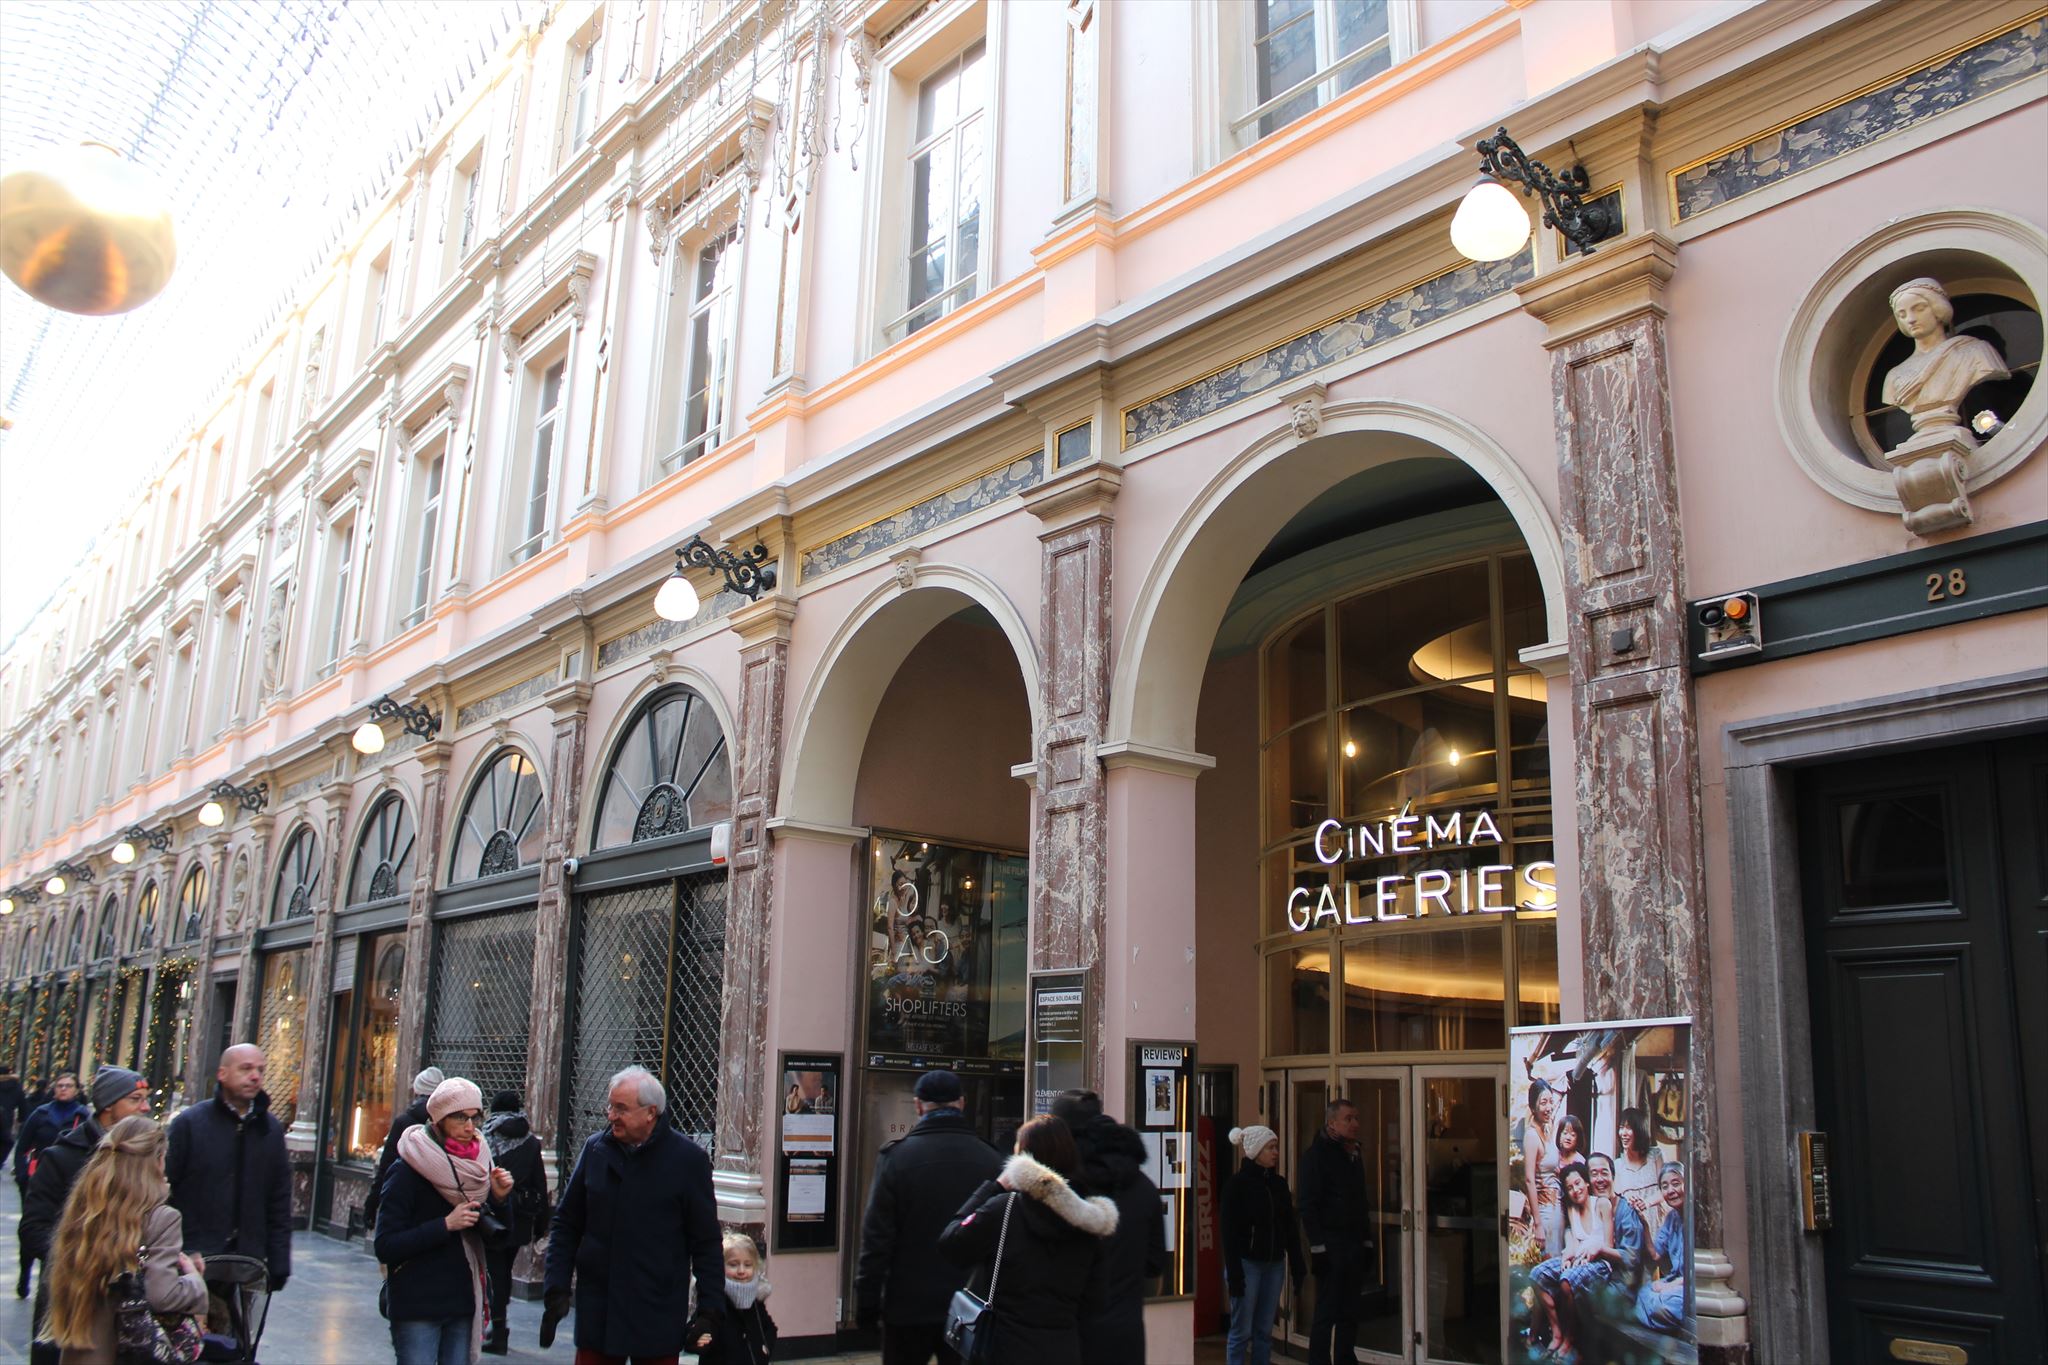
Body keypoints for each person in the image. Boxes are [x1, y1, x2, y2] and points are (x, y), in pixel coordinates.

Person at [542, 1065, 723, 1361]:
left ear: (650, 1112)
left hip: (655, 1311)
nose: (611, 1115)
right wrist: (555, 1288)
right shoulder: (595, 1150)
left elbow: (705, 1242)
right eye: (610, 1106)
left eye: (621, 1108)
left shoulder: (688, 1160)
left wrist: (710, 1311)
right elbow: (567, 1223)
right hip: (599, 1311)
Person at [939, 1114, 1119, 1365]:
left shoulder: (1004, 1209)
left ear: (1023, 1158)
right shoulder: (1089, 1223)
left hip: (1002, 1349)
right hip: (1062, 1350)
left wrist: (995, 1187)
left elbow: (951, 1243)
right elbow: (1096, 1302)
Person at [854, 1070, 1003, 1365]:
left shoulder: (896, 1159)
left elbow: (877, 1239)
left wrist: (867, 1305)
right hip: (971, 1307)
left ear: (919, 1106)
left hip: (907, 1307)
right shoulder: (991, 1160)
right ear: (961, 1103)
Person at [40, 1115, 208, 1365]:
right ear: (157, 1160)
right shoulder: (162, 1217)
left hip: (79, 1350)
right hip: (123, 1352)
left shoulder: (86, 1207)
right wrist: (195, 1281)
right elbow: (162, 1294)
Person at [373, 1076, 516, 1365]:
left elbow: (500, 1239)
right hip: (417, 1304)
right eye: (460, 1118)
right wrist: (445, 1225)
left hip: (461, 1302)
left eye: (475, 1118)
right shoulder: (407, 1170)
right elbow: (386, 1245)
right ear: (438, 1120)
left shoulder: (480, 1166)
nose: (469, 1127)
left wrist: (499, 1200)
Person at [22, 1068, 151, 1365]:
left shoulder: (145, 1157)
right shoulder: (62, 1157)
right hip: (71, 1299)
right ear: (108, 1106)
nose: (145, 1107)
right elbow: (33, 1230)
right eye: (136, 1099)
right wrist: (87, 1259)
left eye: (145, 1099)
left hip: (129, 1307)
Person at [165, 1043, 292, 1296]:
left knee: (240, 1333)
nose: (255, 1076)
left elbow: (279, 1198)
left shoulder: (271, 1130)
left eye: (260, 1070)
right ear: (222, 1074)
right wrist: (180, 1249)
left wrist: (278, 1260)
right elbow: (166, 1191)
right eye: (246, 1069)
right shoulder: (189, 1125)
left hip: (249, 1261)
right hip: (197, 1259)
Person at [1051, 1089, 1166, 1364]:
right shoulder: (1144, 1188)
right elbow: (1154, 1263)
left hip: (1069, 1336)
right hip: (1125, 1336)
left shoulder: (1062, 1190)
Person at [1220, 1124, 1304, 1365]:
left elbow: (1289, 1228)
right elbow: (1229, 1233)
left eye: (1276, 1147)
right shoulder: (1237, 1185)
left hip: (1274, 1265)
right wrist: (1235, 1275)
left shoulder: (1279, 1184)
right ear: (1256, 1151)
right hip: (1247, 1265)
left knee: (1264, 1331)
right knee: (1241, 1331)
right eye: (1270, 1147)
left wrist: (1297, 1265)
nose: (1275, 1152)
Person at [1297, 1098, 1371, 1365]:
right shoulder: (1316, 1157)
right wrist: (1318, 1247)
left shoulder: (1353, 1155)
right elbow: (1308, 1206)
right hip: (1330, 1244)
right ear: (1332, 1123)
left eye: (1356, 1118)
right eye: (1348, 1119)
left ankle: (1344, 1358)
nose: (1355, 1124)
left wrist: (1367, 1241)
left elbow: (1360, 1202)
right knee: (1327, 1311)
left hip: (1352, 1245)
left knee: (1350, 1311)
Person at [480, 1089, 549, 1356]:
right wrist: (542, 1223)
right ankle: (498, 1325)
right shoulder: (531, 1141)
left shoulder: (487, 1137)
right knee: (503, 1271)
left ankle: (497, 1332)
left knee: (494, 1273)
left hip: (494, 1215)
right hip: (519, 1218)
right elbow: (539, 1183)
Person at [14, 1073, 86, 1300]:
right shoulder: (41, 1113)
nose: (63, 1089)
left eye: (68, 1086)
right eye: (60, 1086)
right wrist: (23, 1174)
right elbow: (22, 1146)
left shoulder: (82, 1116)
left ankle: (49, 1279)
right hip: (38, 1180)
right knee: (33, 1226)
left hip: (69, 1184)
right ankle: (25, 1272)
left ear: (77, 1089)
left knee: (58, 1228)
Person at [367, 1066, 447, 1232]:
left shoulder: (403, 1122)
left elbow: (387, 1164)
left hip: (403, 1197)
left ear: (417, 1091)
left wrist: (372, 1201)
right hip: (438, 1203)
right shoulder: (447, 1123)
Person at [691, 1231, 778, 1365]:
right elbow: (695, 1329)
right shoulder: (715, 1299)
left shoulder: (755, 1301)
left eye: (748, 1265)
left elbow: (769, 1328)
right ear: (720, 1266)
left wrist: (764, 1348)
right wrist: (698, 1339)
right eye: (733, 1264)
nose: (741, 1271)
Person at [1635, 1162, 1689, 1334]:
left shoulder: (1697, 1216)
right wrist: (1644, 1224)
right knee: (1644, 1293)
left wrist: (1668, 1287)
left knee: (1665, 1303)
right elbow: (1656, 1255)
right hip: (1674, 1282)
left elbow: (1694, 1274)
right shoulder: (1672, 1217)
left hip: (1689, 1285)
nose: (1670, 1191)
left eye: (1676, 1183)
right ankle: (1662, 1318)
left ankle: (1659, 1317)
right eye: (1664, 1187)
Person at [1611, 1109, 1660, 1218]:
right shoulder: (1617, 1165)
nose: (1623, 1133)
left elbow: (1665, 1189)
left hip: (1657, 1220)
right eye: (1621, 1128)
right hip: (1632, 1223)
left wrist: (1647, 1202)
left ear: (1639, 1130)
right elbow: (1616, 1199)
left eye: (1628, 1128)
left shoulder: (1655, 1155)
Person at [0, 1067, 27, 1168]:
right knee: (5, 1140)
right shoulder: (16, 1086)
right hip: (7, 1117)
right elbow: (22, 1104)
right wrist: (21, 1118)